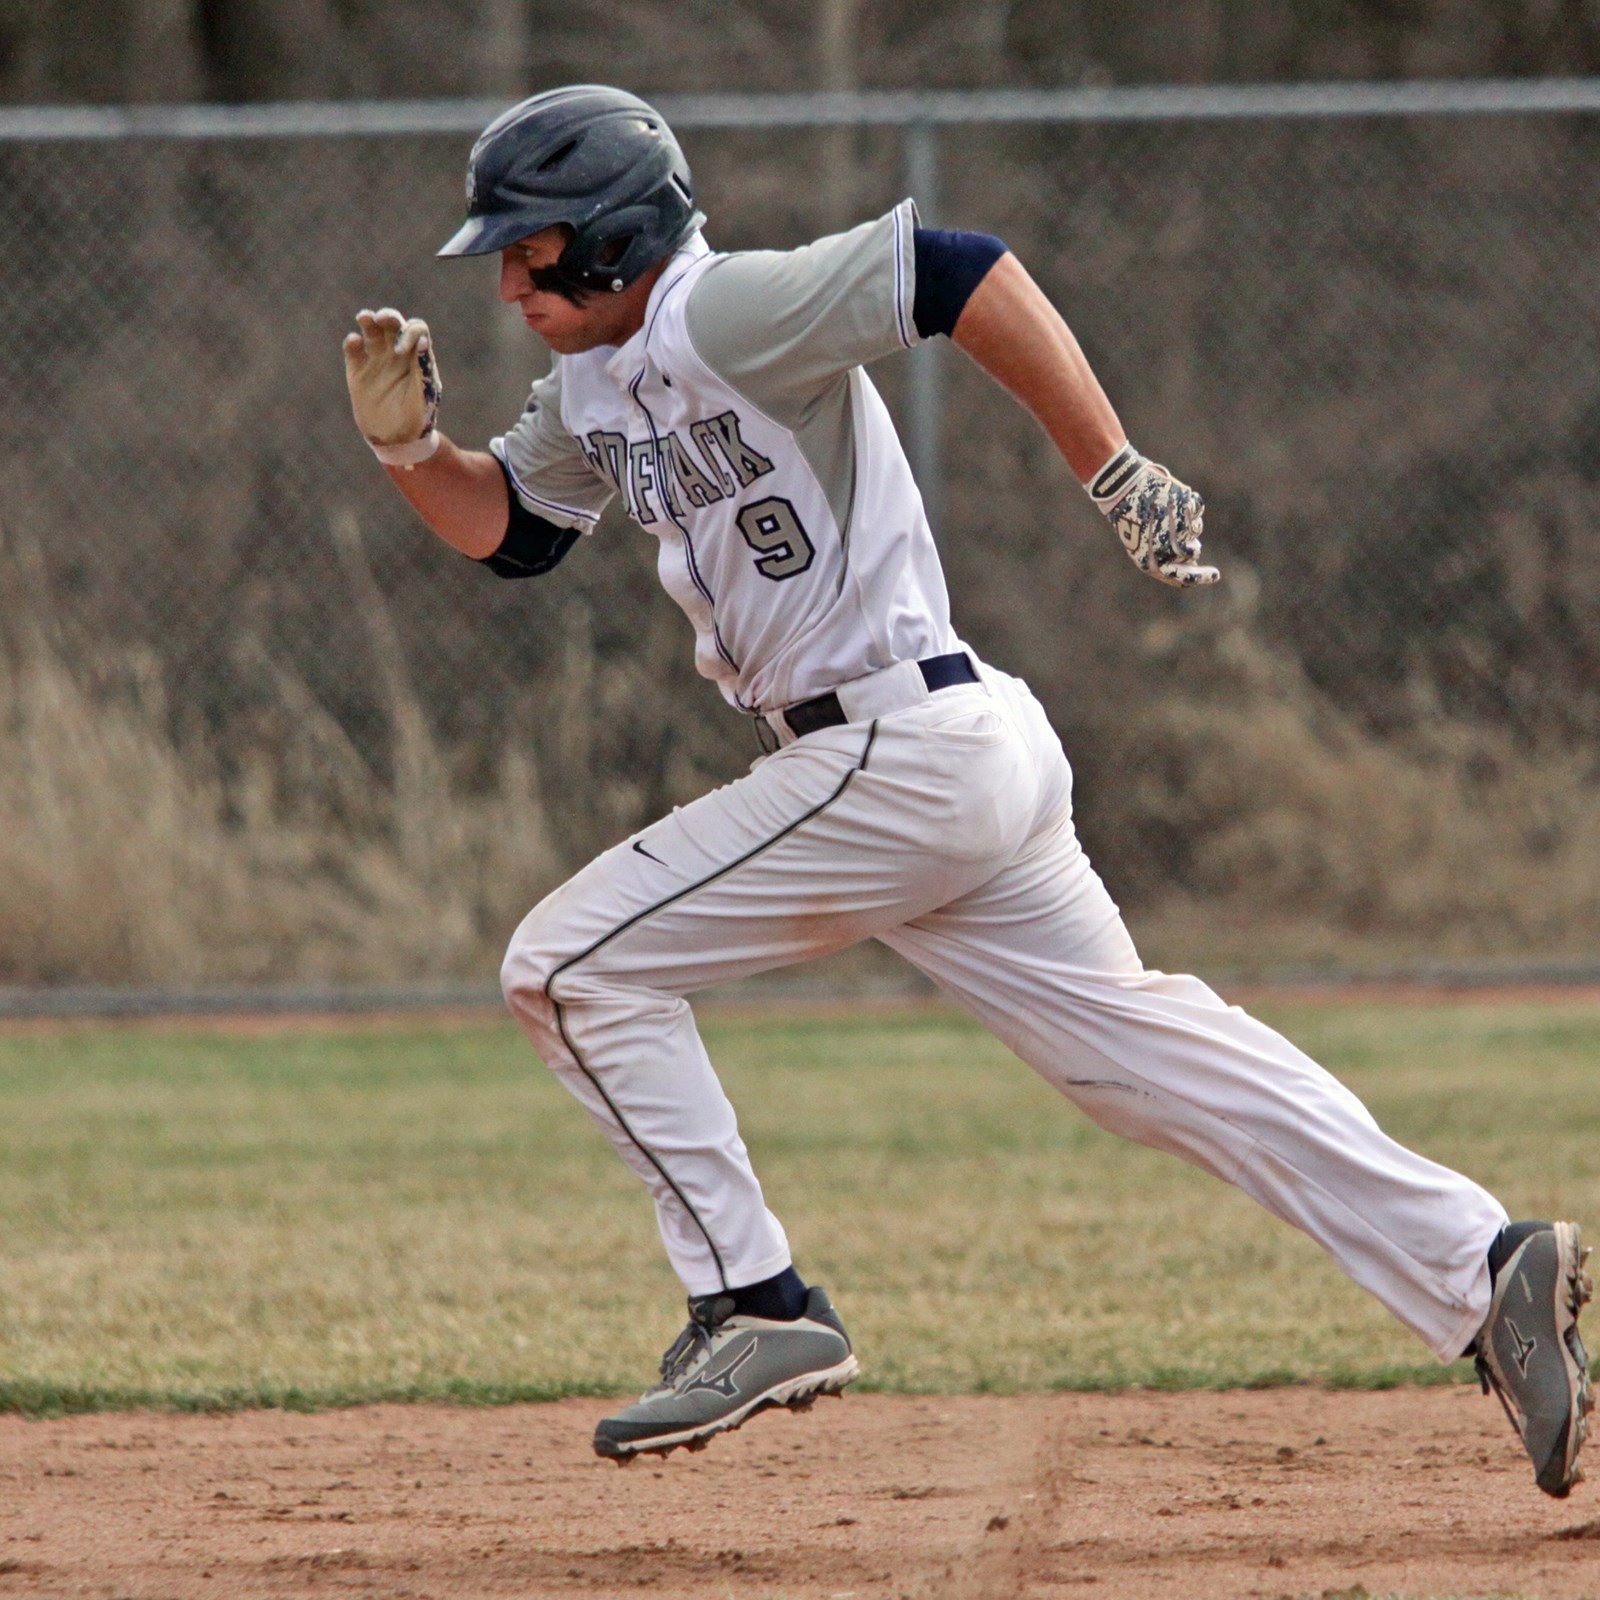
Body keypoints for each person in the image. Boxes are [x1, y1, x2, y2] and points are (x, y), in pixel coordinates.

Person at [343, 84, 1591, 1493]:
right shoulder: (591, 380)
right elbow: (510, 532)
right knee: (1136, 1064)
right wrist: (408, 454)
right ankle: (1484, 1262)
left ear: (621, 239)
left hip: (899, 752)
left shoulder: (721, 310)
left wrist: (1110, 467)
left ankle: (756, 1304)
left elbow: (958, 269)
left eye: (533, 248)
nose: (507, 279)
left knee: (567, 967)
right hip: (945, 755)